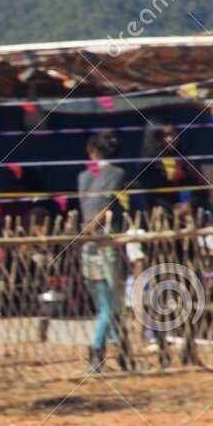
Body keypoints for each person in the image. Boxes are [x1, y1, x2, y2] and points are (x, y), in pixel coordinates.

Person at [78, 130, 130, 373]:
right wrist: (95, 226)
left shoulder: (82, 177)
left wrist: (88, 229)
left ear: (92, 152)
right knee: (112, 304)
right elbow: (108, 205)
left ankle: (122, 349)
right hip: (106, 243)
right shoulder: (118, 174)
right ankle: (97, 348)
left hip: (87, 244)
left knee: (104, 303)